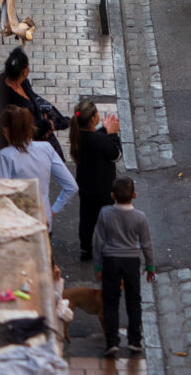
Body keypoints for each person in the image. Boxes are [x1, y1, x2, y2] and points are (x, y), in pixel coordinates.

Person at [93, 176, 155, 358]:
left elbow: (97, 241)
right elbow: (146, 243)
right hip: (131, 261)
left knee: (111, 301)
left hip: (110, 260)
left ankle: (112, 342)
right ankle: (135, 340)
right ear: (134, 195)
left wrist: (98, 267)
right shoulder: (140, 217)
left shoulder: (105, 213)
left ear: (112, 195)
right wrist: (150, 267)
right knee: (134, 301)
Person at [0, 106, 77, 232]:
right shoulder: (46, 148)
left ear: (7, 131)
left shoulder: (5, 155)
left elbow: (2, 195)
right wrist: (53, 210)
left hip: (17, 224)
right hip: (44, 222)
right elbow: (71, 186)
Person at [69, 100, 122, 262]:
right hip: (103, 187)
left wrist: (105, 130)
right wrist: (113, 134)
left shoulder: (78, 137)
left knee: (86, 218)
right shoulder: (101, 141)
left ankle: (86, 248)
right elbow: (116, 155)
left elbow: (95, 137)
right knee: (106, 217)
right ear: (93, 119)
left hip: (85, 185)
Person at [0, 47, 68, 155]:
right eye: (27, 66)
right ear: (24, 71)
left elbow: (34, 98)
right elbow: (16, 127)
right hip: (20, 148)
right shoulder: (4, 97)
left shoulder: (23, 83)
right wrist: (44, 126)